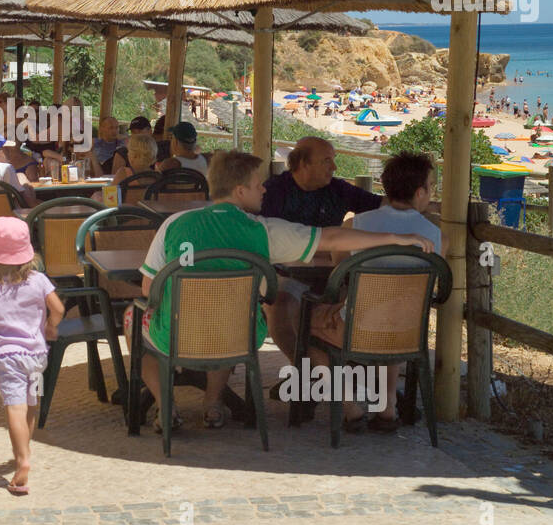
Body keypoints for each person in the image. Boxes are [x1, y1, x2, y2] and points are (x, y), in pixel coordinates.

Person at [137, 151, 435, 432]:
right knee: (229, 321)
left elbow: (149, 289)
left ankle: (165, 407)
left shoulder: (174, 225)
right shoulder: (264, 231)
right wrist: (396, 237)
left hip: (174, 334)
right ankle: (213, 403)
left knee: (134, 320)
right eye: (258, 186)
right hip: (238, 335)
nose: (264, 190)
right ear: (240, 191)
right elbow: (330, 238)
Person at [314, 152, 443, 431]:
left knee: (308, 327)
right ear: (420, 192)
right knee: (394, 318)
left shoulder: (358, 224)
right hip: (407, 329)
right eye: (431, 187)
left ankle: (350, 407)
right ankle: (387, 408)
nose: (431, 193)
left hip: (359, 327)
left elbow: (340, 268)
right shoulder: (433, 234)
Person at [0, 216, 64, 495]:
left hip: (8, 359)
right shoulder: (39, 281)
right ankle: (25, 448)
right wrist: (50, 326)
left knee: (14, 407)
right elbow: (58, 309)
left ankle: (22, 459)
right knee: (32, 403)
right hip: (38, 358)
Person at [261, 136, 383, 228]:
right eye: (326, 161)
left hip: (329, 260)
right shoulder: (273, 192)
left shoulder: (338, 189)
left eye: (333, 160)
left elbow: (381, 205)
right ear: (304, 164)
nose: (334, 167)